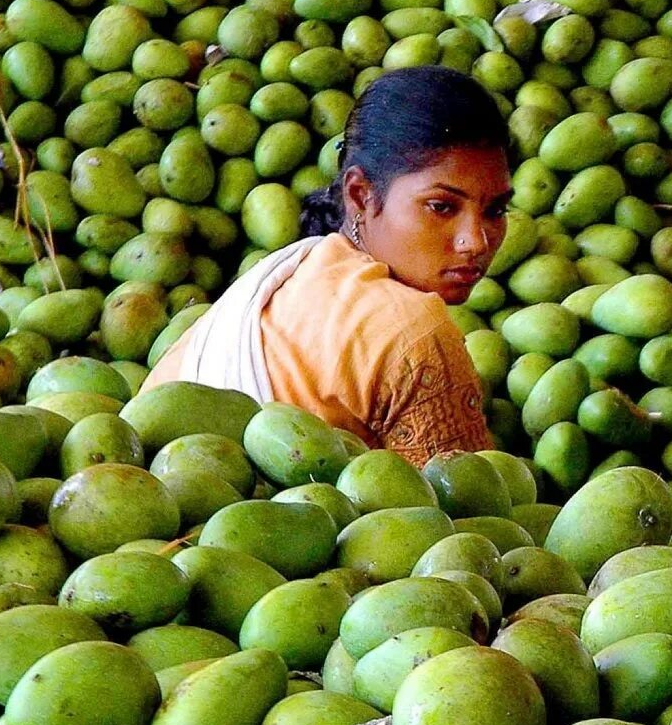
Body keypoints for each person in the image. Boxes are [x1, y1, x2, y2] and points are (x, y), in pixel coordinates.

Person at [144, 64, 512, 465]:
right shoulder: (413, 333)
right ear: (360, 195)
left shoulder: (285, 276)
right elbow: (466, 509)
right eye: (441, 207)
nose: (475, 241)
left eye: (495, 210)